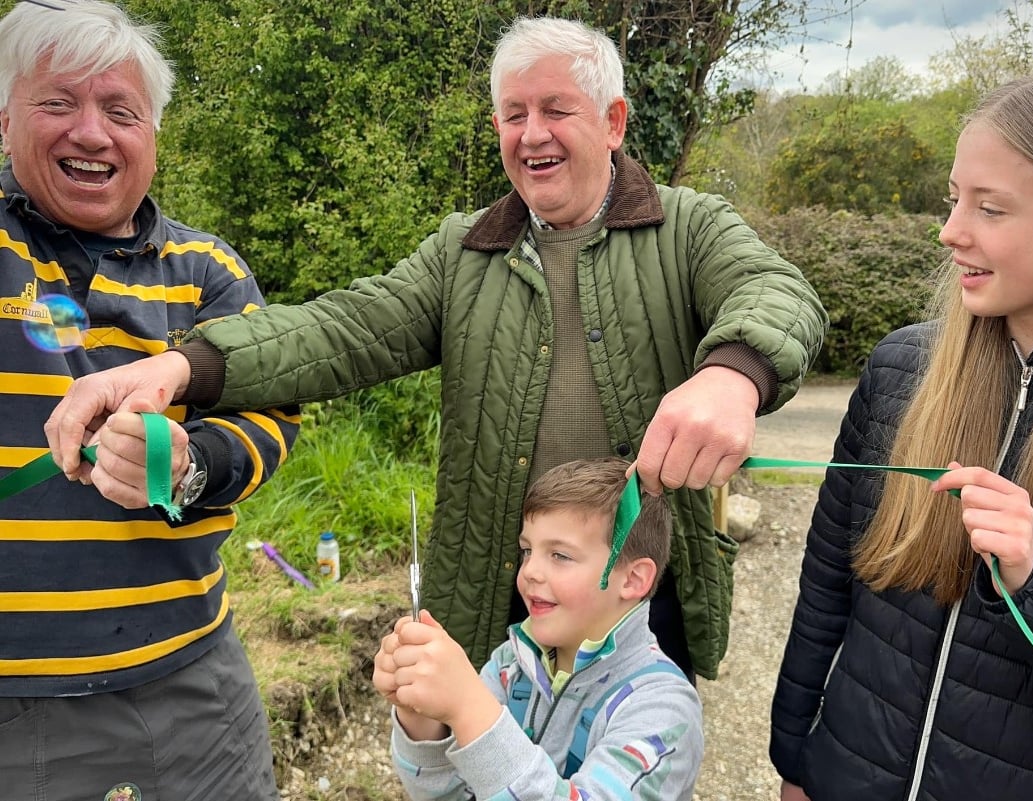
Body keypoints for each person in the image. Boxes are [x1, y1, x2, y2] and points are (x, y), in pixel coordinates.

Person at [46, 15, 827, 683]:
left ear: (614, 122)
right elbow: (343, 328)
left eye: (557, 109)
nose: (531, 134)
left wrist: (732, 375)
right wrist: (183, 366)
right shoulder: (463, 250)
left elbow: (779, 294)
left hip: (642, 599)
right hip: (502, 591)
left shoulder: (689, 226)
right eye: (512, 114)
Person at [769, 62, 1033, 801]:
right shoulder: (902, 367)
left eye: (990, 209)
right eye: (953, 198)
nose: (948, 230)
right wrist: (794, 759)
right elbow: (827, 585)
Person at [0, 2, 298, 798]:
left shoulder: (206, 268)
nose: (91, 134)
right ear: (4, 121)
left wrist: (195, 463)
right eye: (57, 103)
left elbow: (274, 411)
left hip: (194, 672)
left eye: (120, 111)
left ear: (153, 137)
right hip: (14, 698)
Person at [373, 457, 703, 800]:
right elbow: (453, 795)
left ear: (633, 579)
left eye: (559, 555)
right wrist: (421, 717)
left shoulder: (662, 709)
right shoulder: (509, 665)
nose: (530, 570)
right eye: (527, 551)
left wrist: (469, 707)